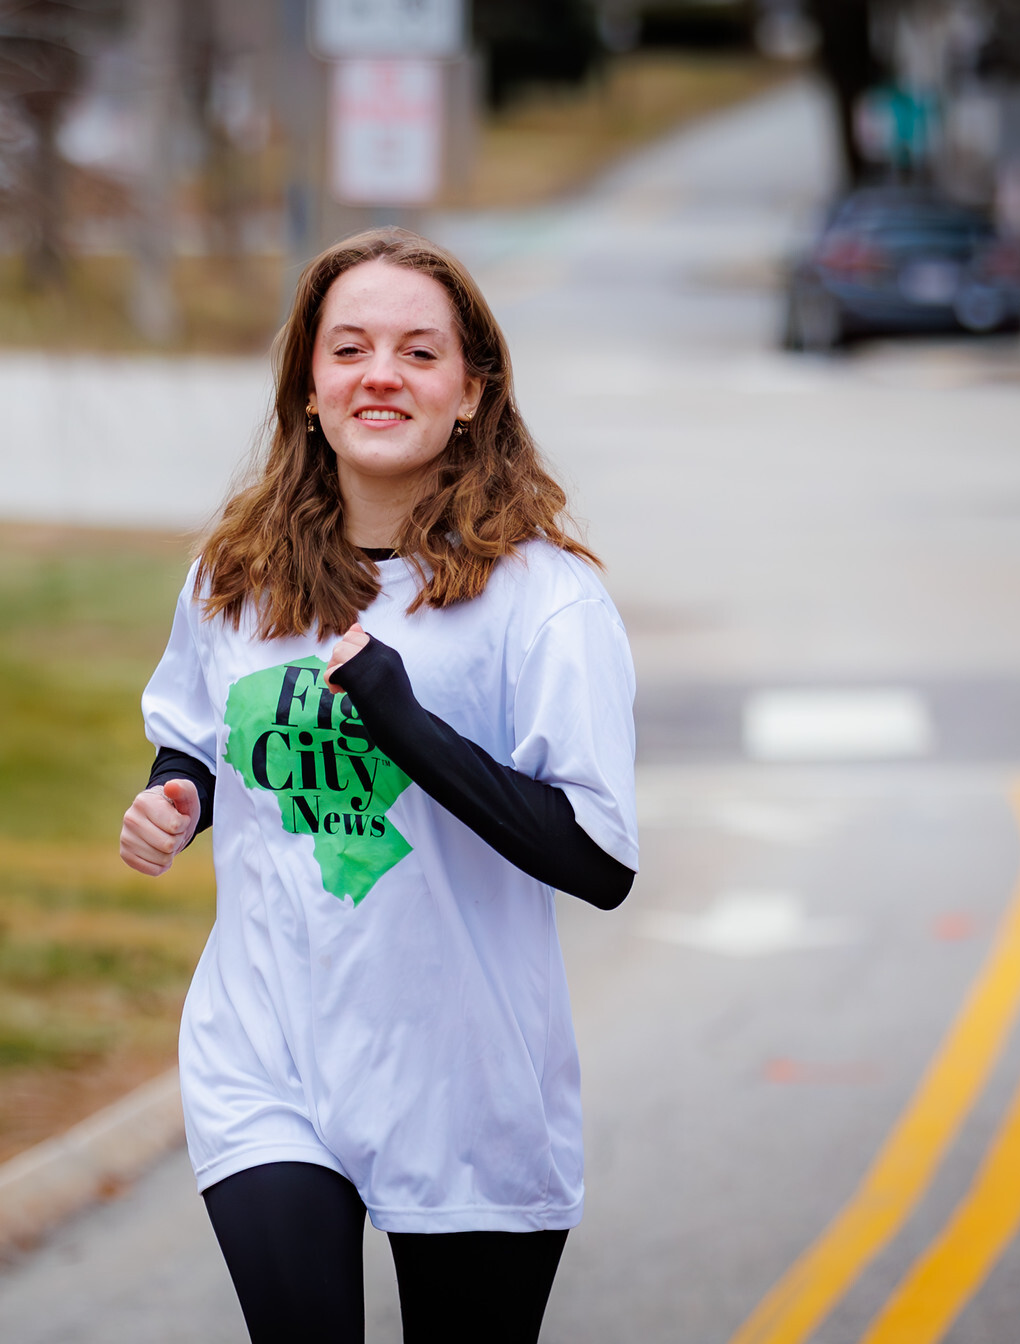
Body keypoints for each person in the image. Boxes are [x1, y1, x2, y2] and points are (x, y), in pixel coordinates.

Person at [117, 228, 637, 1344]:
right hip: (268, 1053)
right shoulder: (236, 576)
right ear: (308, 387)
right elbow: (195, 735)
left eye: (416, 351)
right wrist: (178, 798)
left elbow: (596, 861)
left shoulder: (542, 603)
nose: (378, 376)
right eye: (347, 349)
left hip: (462, 1079)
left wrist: (404, 722)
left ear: (471, 390)